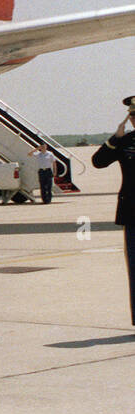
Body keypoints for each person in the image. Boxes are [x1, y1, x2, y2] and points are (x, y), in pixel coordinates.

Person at [91, 94, 135, 325]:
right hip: (132, 213)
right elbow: (98, 162)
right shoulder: (125, 141)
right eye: (133, 116)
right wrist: (113, 139)